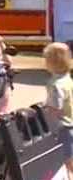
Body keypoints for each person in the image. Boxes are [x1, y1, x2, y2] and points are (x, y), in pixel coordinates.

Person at [44, 42, 73, 176]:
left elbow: (56, 107)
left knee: (68, 160)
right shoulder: (68, 78)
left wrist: (46, 110)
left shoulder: (55, 85)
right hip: (70, 122)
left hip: (63, 127)